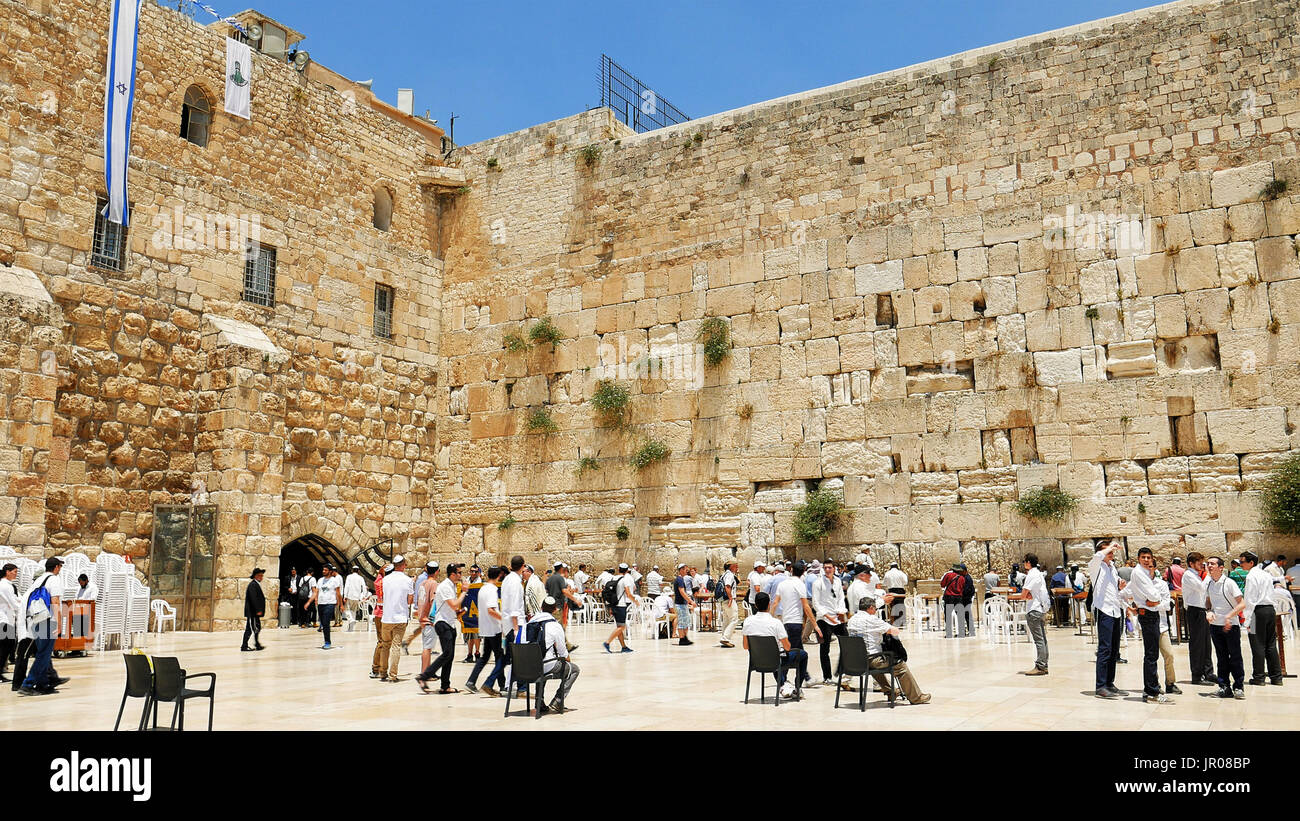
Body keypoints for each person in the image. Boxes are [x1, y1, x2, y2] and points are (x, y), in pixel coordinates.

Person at [845, 597, 931, 705]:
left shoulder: (851, 620)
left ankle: (891, 691)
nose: (875, 611)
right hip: (871, 660)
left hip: (856, 660)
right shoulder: (871, 619)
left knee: (875, 665)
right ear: (871, 608)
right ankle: (916, 697)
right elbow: (894, 631)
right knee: (900, 666)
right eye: (875, 609)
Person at [742, 592, 807, 700]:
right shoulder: (775, 623)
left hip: (757, 661)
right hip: (775, 661)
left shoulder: (748, 622)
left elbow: (745, 646)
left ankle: (782, 685)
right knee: (802, 654)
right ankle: (797, 688)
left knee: (773, 655)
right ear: (769, 604)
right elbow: (787, 647)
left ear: (756, 605)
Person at [1128, 547, 1172, 703]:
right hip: (1148, 616)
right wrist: (1155, 600)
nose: (1146, 560)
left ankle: (1150, 689)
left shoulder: (1144, 574)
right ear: (1138, 559)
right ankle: (1152, 692)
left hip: (1152, 614)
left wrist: (1155, 601)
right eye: (1143, 557)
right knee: (1151, 655)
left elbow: (1154, 598)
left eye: (1148, 557)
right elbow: (1153, 595)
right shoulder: (1139, 573)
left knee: (1151, 655)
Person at [19, 557, 68, 696]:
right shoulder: (54, 580)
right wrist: (59, 623)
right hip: (48, 620)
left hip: (36, 620)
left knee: (43, 653)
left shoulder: (40, 579)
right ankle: (28, 684)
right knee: (43, 655)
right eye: (60, 567)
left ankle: (43, 684)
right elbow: (55, 601)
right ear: (56, 567)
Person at [416, 563, 466, 694]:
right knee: (447, 654)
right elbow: (454, 604)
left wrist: (458, 612)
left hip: (449, 623)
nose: (461, 575)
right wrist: (465, 592)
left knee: (449, 655)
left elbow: (451, 607)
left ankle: (445, 685)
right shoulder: (444, 586)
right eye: (459, 573)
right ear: (452, 574)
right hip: (442, 623)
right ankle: (424, 676)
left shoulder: (451, 586)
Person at [528, 596, 579, 715]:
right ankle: (558, 700)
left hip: (526, 667)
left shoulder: (529, 623)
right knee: (574, 670)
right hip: (544, 666)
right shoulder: (555, 626)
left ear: (541, 608)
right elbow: (563, 652)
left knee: (541, 662)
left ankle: (539, 701)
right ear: (555, 609)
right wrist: (569, 663)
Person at [1089, 540, 1127, 699]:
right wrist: (1110, 546)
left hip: (1115, 610)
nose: (1111, 554)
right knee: (1104, 649)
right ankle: (1100, 686)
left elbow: (1113, 589)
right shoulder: (1095, 566)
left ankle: (1110, 683)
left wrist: (1121, 587)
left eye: (1112, 551)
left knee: (1114, 650)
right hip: (1103, 610)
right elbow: (1097, 556)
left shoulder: (1112, 568)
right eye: (1108, 551)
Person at [1205, 556, 1246, 699]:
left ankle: (1239, 687)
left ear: (1221, 567)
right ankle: (1224, 686)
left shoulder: (1229, 583)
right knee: (1221, 657)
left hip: (1231, 626)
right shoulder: (1209, 584)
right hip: (1216, 627)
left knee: (1235, 657)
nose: (1209, 566)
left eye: (1212, 564)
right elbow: (1208, 602)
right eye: (1208, 564)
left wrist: (1229, 617)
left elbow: (1242, 604)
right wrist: (1209, 611)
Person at [773, 560, 820, 686]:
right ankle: (783, 681)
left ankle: (804, 678)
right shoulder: (800, 584)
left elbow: (775, 602)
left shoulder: (782, 584)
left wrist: (769, 617)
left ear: (791, 571)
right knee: (793, 652)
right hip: (795, 622)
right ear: (803, 572)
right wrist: (815, 625)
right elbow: (805, 606)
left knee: (796, 650)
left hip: (786, 621)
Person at [1240, 551, 1283, 686]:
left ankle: (1259, 677)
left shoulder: (1251, 576)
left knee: (1257, 643)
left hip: (1256, 612)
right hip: (1270, 610)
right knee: (1270, 644)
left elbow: (1250, 599)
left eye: (1242, 562)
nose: (1241, 565)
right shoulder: (1266, 575)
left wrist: (1246, 620)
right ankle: (1276, 677)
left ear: (1251, 562)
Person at [467, 566, 505, 694]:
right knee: (500, 657)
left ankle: (471, 681)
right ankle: (502, 685)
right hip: (493, 628)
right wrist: (504, 620)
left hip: (485, 628)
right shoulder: (492, 590)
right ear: (499, 575)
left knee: (486, 656)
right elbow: (491, 610)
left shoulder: (482, 588)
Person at [811, 559, 848, 685]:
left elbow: (841, 598)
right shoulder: (818, 583)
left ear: (834, 568)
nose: (827, 570)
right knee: (824, 648)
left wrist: (841, 612)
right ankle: (827, 676)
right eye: (825, 568)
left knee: (846, 644)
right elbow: (816, 603)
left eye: (830, 568)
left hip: (837, 617)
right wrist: (827, 616)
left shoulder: (837, 581)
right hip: (824, 619)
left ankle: (840, 671)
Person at [494, 556, 527, 695]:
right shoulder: (515, 582)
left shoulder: (508, 579)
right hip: (515, 625)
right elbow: (514, 606)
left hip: (508, 624)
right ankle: (521, 687)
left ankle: (509, 685)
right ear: (523, 566)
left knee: (512, 657)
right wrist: (516, 628)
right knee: (521, 657)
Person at [377, 556, 414, 682]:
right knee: (396, 646)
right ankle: (393, 675)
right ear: (403, 564)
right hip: (401, 617)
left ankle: (383, 673)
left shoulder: (385, 579)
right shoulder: (408, 580)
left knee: (385, 645)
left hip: (386, 617)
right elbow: (410, 600)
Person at [1012, 553, 1049, 676]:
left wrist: (1023, 596)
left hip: (1033, 610)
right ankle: (1044, 664)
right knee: (1042, 639)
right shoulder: (1039, 574)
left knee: (1038, 640)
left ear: (1028, 562)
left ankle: (1040, 666)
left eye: (1024, 561)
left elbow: (1023, 595)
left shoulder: (1031, 575)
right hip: (1040, 609)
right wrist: (1027, 595)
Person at [1181, 552, 1215, 685]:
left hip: (1202, 610)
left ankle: (1208, 672)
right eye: (1200, 563)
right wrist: (1208, 574)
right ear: (1191, 563)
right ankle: (1197, 675)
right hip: (1194, 611)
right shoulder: (1188, 575)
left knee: (1206, 643)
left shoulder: (1196, 575)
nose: (1203, 565)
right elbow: (1201, 588)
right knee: (1197, 644)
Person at [1152, 563, 1181, 695]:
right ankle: (1153, 684)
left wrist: (1153, 605)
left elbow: (1166, 604)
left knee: (1169, 654)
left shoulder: (1161, 584)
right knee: (1151, 657)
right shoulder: (1139, 583)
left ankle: (1170, 682)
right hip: (1148, 626)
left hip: (1162, 625)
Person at [603, 563, 641, 653]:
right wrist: (635, 601)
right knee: (622, 627)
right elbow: (628, 594)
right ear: (627, 570)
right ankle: (607, 642)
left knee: (619, 626)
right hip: (621, 605)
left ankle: (623, 647)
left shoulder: (613, 578)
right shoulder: (625, 579)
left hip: (613, 604)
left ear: (618, 569)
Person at [305, 564, 342, 650]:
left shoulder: (334, 581)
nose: (323, 571)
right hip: (321, 604)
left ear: (330, 571)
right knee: (323, 624)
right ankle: (326, 640)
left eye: (325, 570)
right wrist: (309, 602)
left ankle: (327, 642)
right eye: (323, 570)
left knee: (326, 623)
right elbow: (315, 592)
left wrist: (341, 605)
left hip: (330, 603)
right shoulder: (320, 580)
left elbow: (338, 593)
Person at [369, 563, 390, 678]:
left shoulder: (382, 580)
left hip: (383, 613)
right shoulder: (381, 581)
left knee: (384, 642)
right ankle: (376, 668)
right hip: (382, 614)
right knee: (382, 642)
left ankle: (381, 667)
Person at [0, 563, 20, 682]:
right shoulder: (5, 586)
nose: (16, 574)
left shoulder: (8, 585)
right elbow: (14, 603)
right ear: (7, 572)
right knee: (5, 647)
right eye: (14, 571)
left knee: (6, 647)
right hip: (4, 620)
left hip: (8, 620)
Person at [940, 563, 969, 638]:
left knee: (948, 615)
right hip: (958, 597)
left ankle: (949, 633)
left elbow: (942, 585)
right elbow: (962, 587)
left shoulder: (948, 575)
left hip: (949, 597)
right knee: (960, 615)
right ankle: (961, 632)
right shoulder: (962, 578)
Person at [241, 567, 267, 652]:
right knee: (251, 629)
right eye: (260, 575)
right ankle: (244, 646)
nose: (261, 577)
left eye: (262, 576)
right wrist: (257, 610)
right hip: (253, 612)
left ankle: (257, 644)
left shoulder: (255, 584)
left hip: (254, 613)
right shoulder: (253, 585)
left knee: (256, 628)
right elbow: (253, 599)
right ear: (255, 576)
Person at [716, 561, 740, 648]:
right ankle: (725, 638)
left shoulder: (724, 574)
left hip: (723, 600)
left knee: (726, 619)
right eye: (735, 566)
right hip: (728, 599)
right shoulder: (729, 575)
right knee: (734, 619)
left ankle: (724, 637)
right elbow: (727, 586)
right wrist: (730, 598)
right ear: (731, 566)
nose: (737, 567)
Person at [672, 564, 696, 645]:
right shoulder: (679, 580)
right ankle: (682, 639)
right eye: (686, 569)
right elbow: (682, 592)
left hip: (683, 604)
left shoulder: (681, 579)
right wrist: (691, 601)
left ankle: (685, 638)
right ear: (681, 569)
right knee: (682, 622)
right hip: (680, 604)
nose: (687, 571)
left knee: (685, 621)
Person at [343, 566, 366, 631]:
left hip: (350, 596)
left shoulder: (349, 577)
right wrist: (363, 596)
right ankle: (351, 628)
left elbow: (347, 586)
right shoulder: (360, 578)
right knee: (353, 611)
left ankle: (351, 620)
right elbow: (364, 587)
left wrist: (345, 596)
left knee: (347, 610)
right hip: (357, 597)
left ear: (352, 570)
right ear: (358, 570)